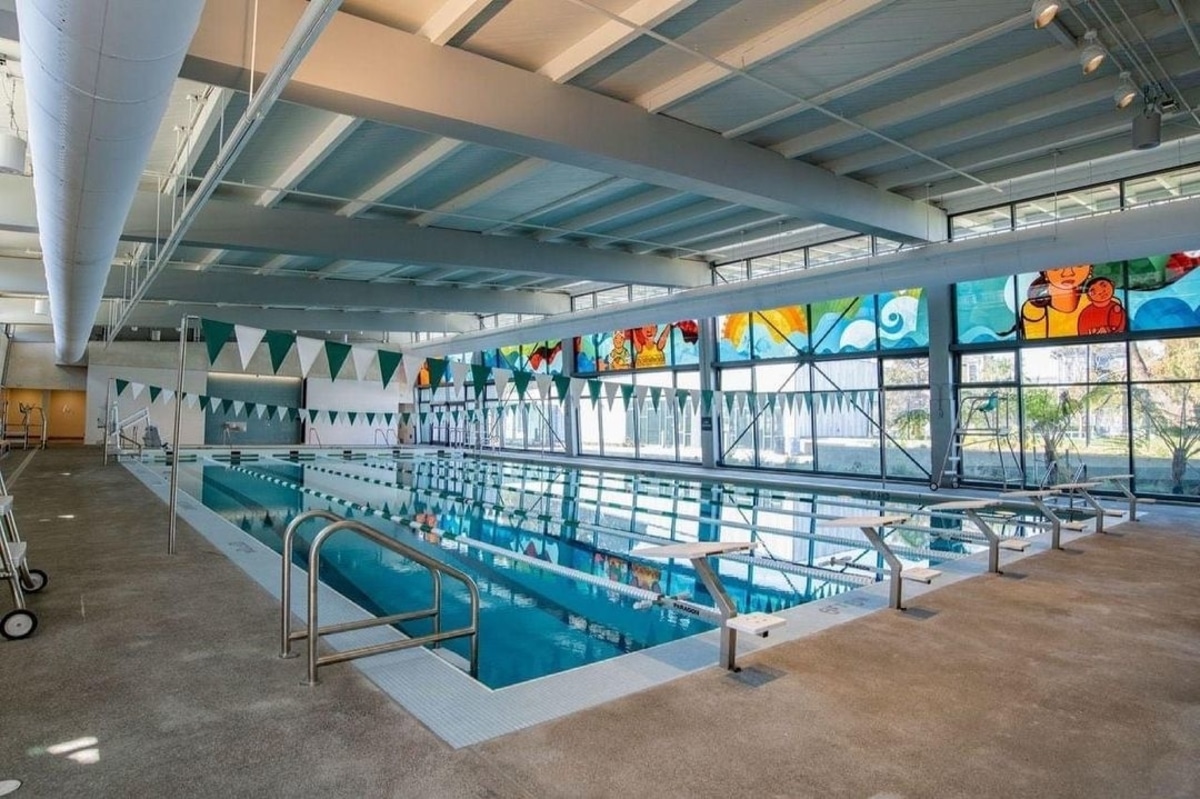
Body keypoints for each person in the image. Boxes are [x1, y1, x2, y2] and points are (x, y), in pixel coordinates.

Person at [1019, 264, 1092, 338]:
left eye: (1078, 265)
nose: (1067, 273)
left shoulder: (1092, 301)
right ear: (1045, 273)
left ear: (1090, 268)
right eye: (1056, 268)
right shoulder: (1034, 310)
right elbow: (1035, 343)